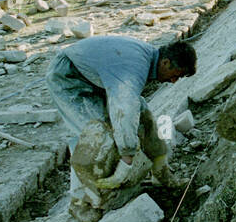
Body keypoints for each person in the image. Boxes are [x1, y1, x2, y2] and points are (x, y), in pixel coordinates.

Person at [46, 35, 196, 210]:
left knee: (144, 116)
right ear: (165, 62)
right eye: (174, 75)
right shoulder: (134, 67)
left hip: (93, 76)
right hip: (68, 76)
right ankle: (81, 203)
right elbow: (124, 109)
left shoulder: (147, 58)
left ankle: (162, 174)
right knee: (95, 136)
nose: (173, 81)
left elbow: (131, 107)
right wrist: (126, 158)